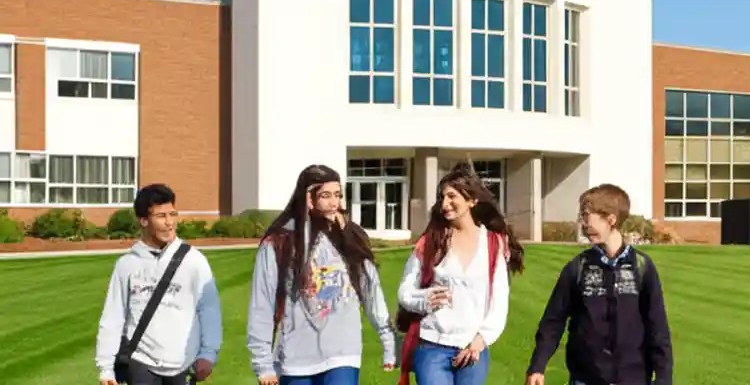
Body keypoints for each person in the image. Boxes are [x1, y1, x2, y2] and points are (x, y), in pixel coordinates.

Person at [247, 164, 397, 385]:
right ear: (307, 197)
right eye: (325, 195)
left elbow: (370, 289)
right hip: (296, 357)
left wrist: (387, 338)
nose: (334, 202)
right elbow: (262, 303)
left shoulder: (349, 237)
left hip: (343, 354)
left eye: (337, 195)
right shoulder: (279, 242)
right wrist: (263, 363)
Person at [526, 184, 673, 385]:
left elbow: (658, 328)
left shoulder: (642, 267)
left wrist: (664, 378)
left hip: (633, 378)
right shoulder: (578, 268)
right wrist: (538, 366)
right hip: (586, 378)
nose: (583, 223)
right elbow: (553, 320)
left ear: (610, 220)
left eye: (587, 216)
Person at [396, 161, 526, 385]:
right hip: (431, 347)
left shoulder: (493, 244)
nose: (445, 204)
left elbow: (499, 301)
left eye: (452, 196)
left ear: (472, 200)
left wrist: (481, 340)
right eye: (442, 198)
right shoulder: (431, 242)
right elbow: (405, 292)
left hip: (472, 349)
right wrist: (424, 299)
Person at [95, 183, 222, 385]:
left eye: (172, 214)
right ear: (144, 220)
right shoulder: (127, 265)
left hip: (182, 361)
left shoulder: (194, 261)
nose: (169, 223)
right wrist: (106, 368)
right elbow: (113, 316)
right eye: (161, 216)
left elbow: (209, 308)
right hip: (140, 361)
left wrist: (208, 353)